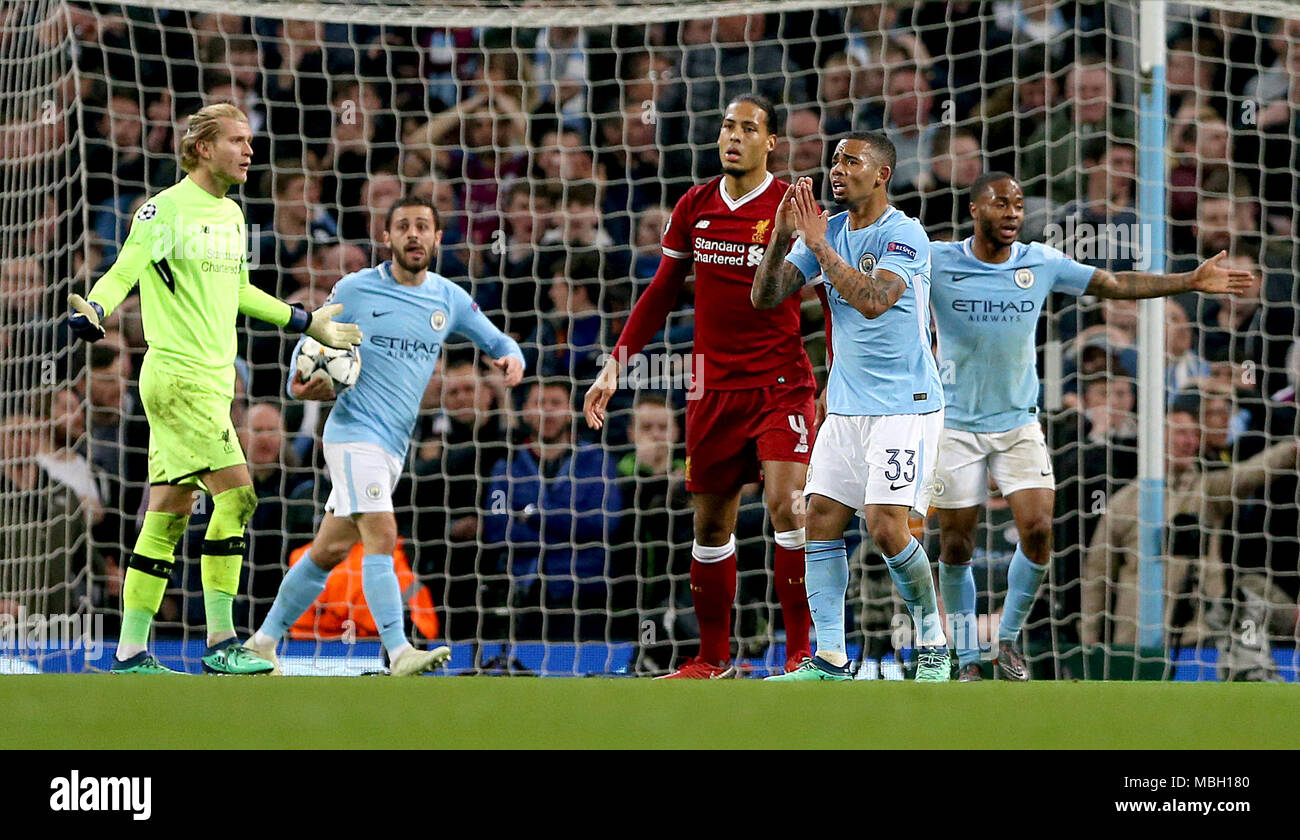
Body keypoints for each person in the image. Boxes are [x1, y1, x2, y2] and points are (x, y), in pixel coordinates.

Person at [66, 102, 362, 675]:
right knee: (238, 496)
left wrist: (307, 320)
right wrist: (96, 307)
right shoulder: (163, 210)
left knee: (169, 513)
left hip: (208, 382)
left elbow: (239, 291)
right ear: (202, 147)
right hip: (178, 377)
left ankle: (129, 651)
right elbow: (125, 269)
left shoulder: (229, 215)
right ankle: (223, 641)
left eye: (250, 141)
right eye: (237, 140)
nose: (250, 151)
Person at [927, 171, 1253, 680]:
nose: (1012, 213)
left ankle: (1007, 640)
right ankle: (967, 654)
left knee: (1037, 531)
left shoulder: (1039, 261)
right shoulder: (938, 259)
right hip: (955, 426)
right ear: (974, 210)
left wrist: (1189, 281)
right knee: (955, 545)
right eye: (1000, 204)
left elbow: (1117, 283)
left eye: (1018, 204)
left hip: (1018, 423)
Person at [584, 94, 815, 677]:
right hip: (712, 390)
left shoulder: (792, 206)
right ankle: (713, 659)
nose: (733, 137)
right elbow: (662, 292)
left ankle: (800, 656)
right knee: (712, 528)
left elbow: (827, 296)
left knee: (790, 510)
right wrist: (617, 364)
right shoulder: (695, 204)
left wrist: (840, 376)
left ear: (772, 142)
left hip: (780, 382)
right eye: (726, 126)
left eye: (748, 128)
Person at [245, 195, 524, 676]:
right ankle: (399, 651)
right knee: (383, 533)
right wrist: (301, 381)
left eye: (423, 226)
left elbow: (496, 339)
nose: (413, 234)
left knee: (328, 550)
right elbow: (312, 340)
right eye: (403, 226)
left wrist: (512, 356)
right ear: (387, 237)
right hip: (353, 434)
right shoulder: (355, 289)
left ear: (438, 238)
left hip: (393, 445)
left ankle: (263, 642)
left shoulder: (447, 298)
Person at [753, 132, 951, 683]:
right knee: (818, 517)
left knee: (886, 527)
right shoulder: (830, 229)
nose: (837, 169)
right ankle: (833, 659)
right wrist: (783, 237)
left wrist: (817, 245)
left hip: (905, 406)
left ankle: (934, 644)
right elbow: (766, 296)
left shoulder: (905, 233)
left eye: (851, 160)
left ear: (882, 174)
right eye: (835, 160)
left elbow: (872, 301)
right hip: (844, 405)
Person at [485, 379, 622, 642]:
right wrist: (568, 534)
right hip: (525, 591)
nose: (547, 411)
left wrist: (534, 516)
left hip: (585, 592)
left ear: (571, 410)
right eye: (539, 403)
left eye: (555, 403)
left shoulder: (596, 462)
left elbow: (603, 523)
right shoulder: (507, 467)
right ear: (524, 410)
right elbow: (498, 528)